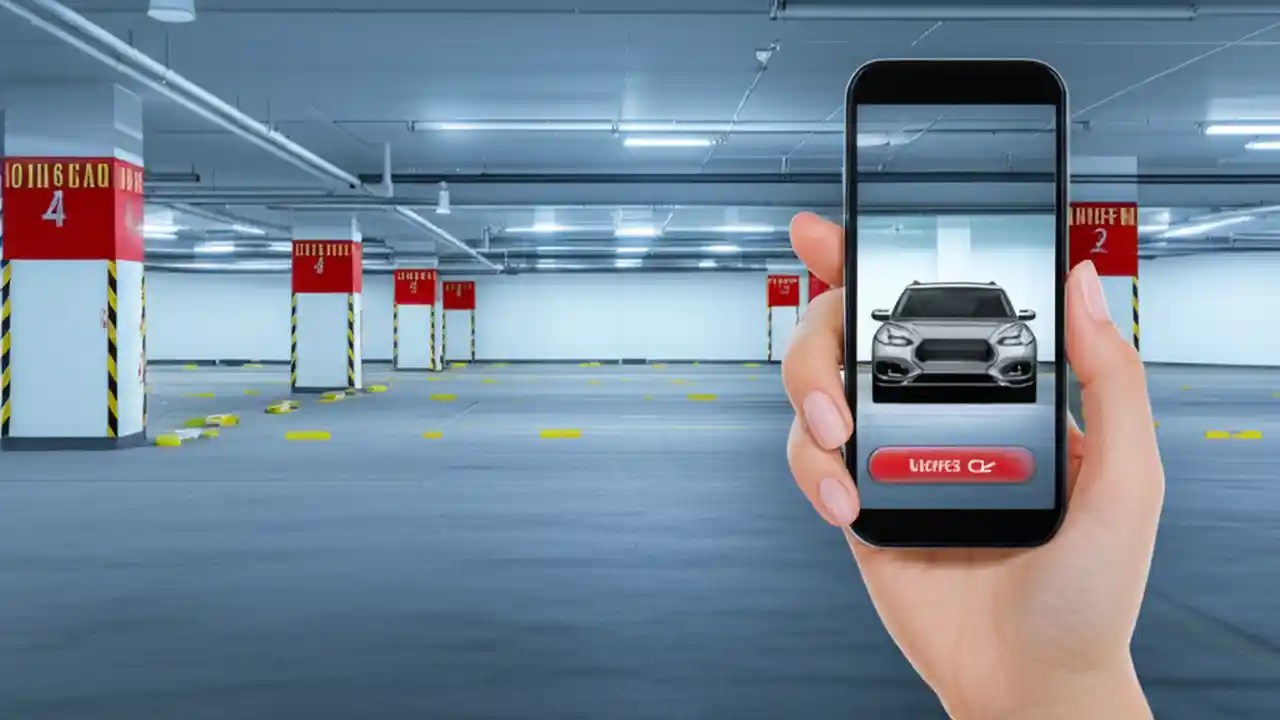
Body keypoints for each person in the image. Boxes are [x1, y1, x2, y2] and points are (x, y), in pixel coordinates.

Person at [782, 212, 1165, 720]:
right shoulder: (899, 324)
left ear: (1015, 318)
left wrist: (1068, 686)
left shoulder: (1008, 325)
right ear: (887, 321)